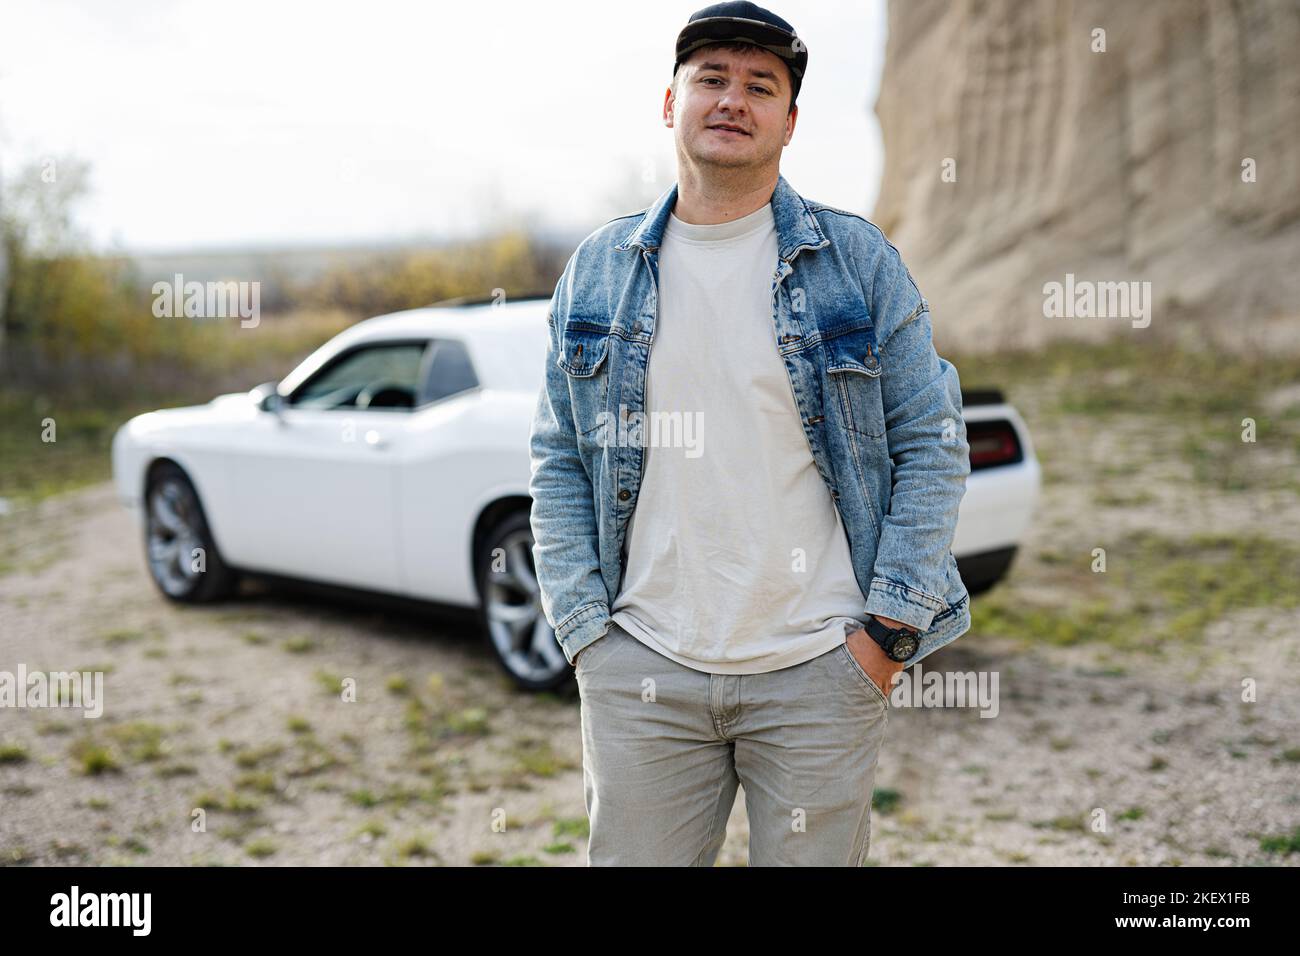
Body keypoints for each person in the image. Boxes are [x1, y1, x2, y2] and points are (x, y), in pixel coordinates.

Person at [528, 0, 971, 865]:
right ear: (671, 103)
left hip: (818, 669)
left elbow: (931, 440)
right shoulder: (597, 272)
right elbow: (557, 460)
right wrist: (586, 635)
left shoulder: (857, 263)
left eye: (760, 86)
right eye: (712, 79)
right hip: (643, 666)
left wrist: (882, 638)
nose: (733, 99)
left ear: (790, 121)